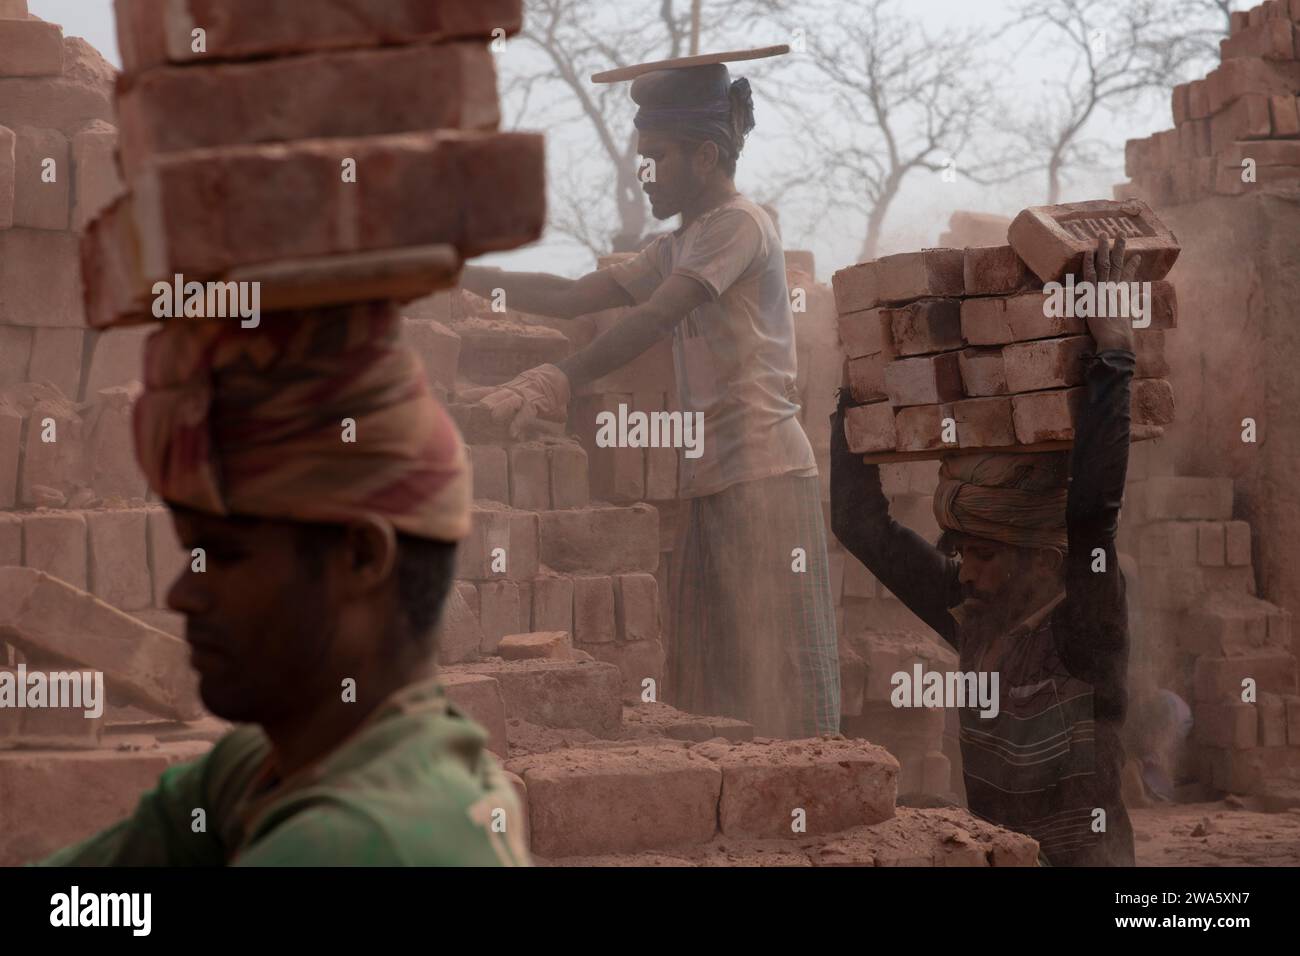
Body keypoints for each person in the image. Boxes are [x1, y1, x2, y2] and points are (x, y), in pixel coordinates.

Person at [36, 304, 528, 866]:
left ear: (362, 558)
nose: (181, 594)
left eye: (223, 554)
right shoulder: (288, 762)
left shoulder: (351, 845)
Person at [460, 57, 839, 737]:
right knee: (719, 683)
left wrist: (557, 378)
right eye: (641, 157)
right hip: (714, 482)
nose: (646, 173)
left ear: (704, 154)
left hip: (769, 480)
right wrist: (465, 272)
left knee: (787, 678)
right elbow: (575, 295)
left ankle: (822, 804)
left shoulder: (737, 226)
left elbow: (654, 318)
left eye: (657, 157)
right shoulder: (681, 242)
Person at [830, 236, 1141, 866]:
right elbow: (861, 526)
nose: (963, 571)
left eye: (983, 555)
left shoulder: (1085, 632)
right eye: (961, 552)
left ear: (1043, 561)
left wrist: (1113, 356)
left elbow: (1090, 520)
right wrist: (858, 395)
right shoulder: (971, 611)